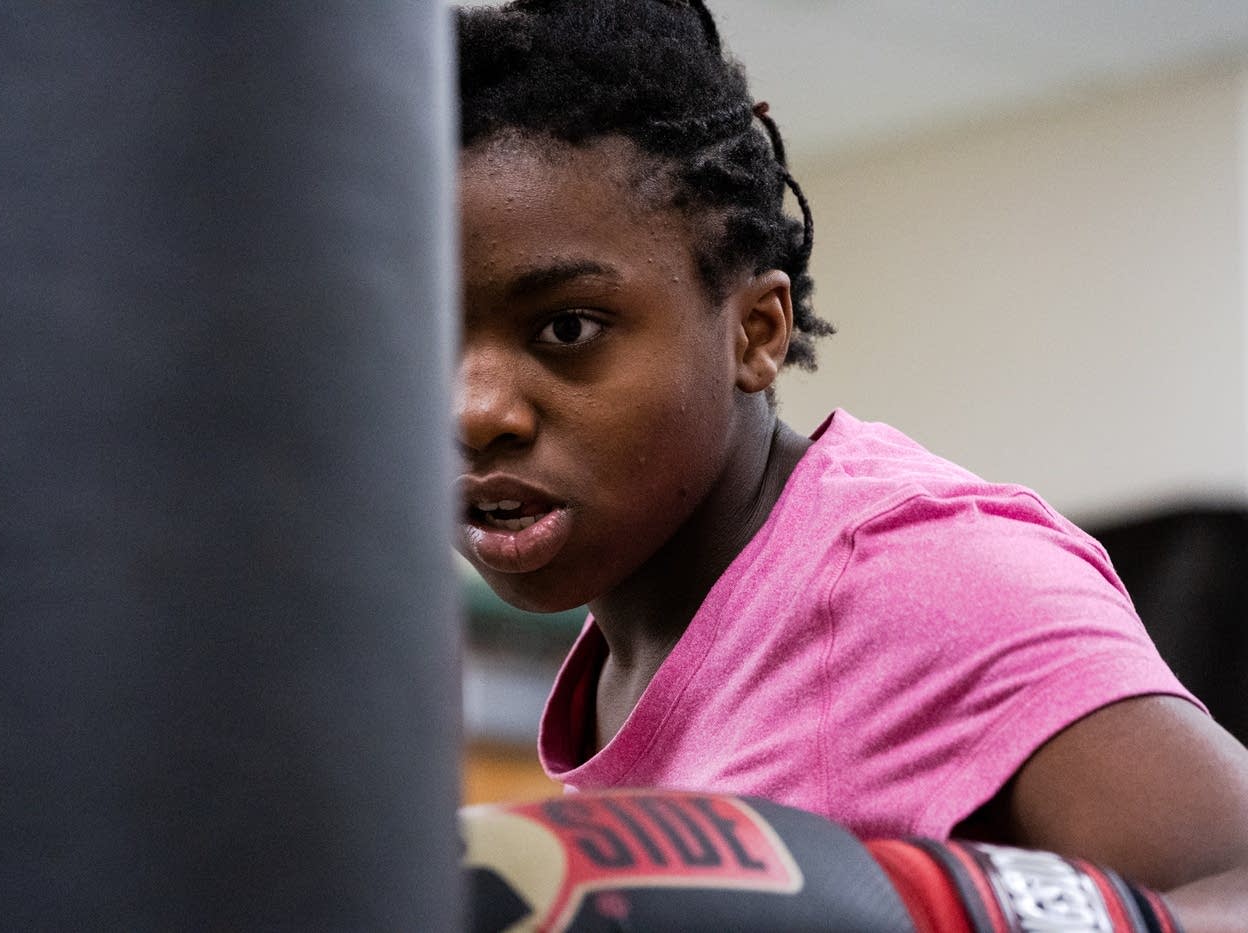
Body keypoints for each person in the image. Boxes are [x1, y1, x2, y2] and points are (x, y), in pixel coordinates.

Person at [452, 0, 1248, 926]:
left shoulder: (921, 571)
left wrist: (947, 911)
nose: (474, 412)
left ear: (755, 331)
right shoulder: (626, 653)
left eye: (567, 328)